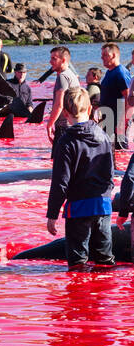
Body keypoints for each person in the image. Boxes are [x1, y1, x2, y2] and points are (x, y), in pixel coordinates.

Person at [47, 86, 115, 271]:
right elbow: (110, 173)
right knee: (104, 261)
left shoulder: (67, 142)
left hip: (78, 209)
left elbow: (61, 182)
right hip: (103, 206)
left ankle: (79, 299)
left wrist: (52, 215)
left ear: (66, 113)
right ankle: (105, 297)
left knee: (78, 264)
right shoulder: (104, 136)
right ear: (90, 109)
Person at [99, 41, 131, 149]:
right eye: (102, 55)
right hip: (108, 119)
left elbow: (128, 98)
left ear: (113, 55)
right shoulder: (109, 71)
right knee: (108, 150)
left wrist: (122, 122)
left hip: (117, 121)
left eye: (105, 55)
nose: (102, 58)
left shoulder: (120, 72)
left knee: (119, 150)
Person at [46, 45, 79, 143]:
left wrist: (49, 124)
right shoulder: (72, 75)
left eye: (54, 59)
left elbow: (59, 105)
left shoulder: (63, 77)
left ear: (63, 60)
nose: (50, 62)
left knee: (59, 157)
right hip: (73, 124)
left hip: (64, 126)